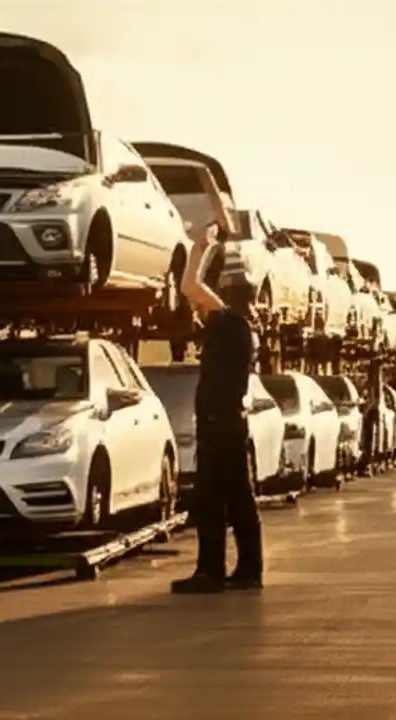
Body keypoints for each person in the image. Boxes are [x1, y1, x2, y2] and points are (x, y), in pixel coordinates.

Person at [171, 201, 265, 594]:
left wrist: (201, 247)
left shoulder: (230, 322)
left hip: (219, 427)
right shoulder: (244, 328)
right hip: (230, 425)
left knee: (211, 501)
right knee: (239, 499)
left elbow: (189, 286)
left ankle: (210, 573)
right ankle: (248, 571)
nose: (198, 308)